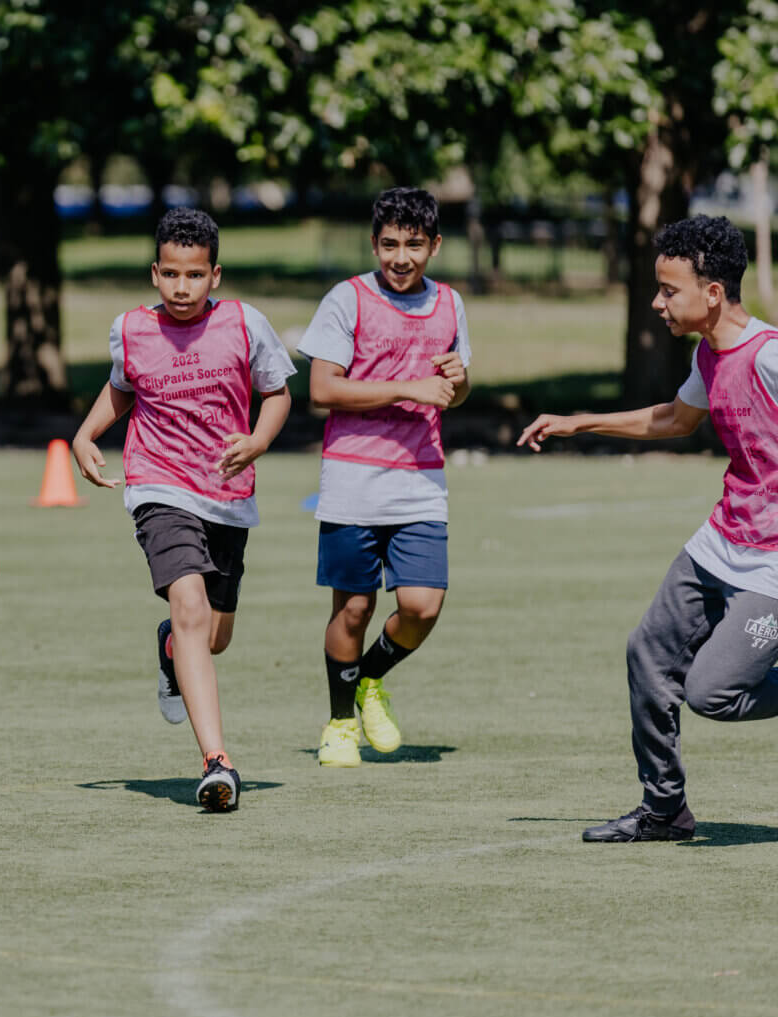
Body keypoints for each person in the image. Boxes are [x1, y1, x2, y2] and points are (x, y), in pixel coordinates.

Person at [519, 214, 778, 842]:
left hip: (772, 561)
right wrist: (580, 423)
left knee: (712, 691)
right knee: (648, 654)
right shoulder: (710, 353)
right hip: (721, 542)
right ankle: (664, 810)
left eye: (669, 290)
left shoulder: (770, 356)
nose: (658, 302)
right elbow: (674, 421)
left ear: (712, 293)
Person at [70, 207, 295, 812]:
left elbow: (276, 392)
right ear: (154, 273)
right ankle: (217, 762)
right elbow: (123, 387)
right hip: (158, 485)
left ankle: (172, 647)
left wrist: (259, 440)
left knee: (212, 636)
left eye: (194, 276)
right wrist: (85, 435)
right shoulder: (131, 329)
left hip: (227, 493)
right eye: (170, 275)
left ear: (215, 276)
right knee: (190, 604)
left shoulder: (248, 325)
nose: (181, 288)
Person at [297, 187, 471, 769]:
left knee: (423, 606)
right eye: (390, 244)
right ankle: (341, 721)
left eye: (414, 245)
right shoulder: (346, 300)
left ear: (435, 246)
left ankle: (369, 679)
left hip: (421, 478)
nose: (401, 257)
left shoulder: (450, 304)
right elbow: (322, 389)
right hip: (352, 478)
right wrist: (406, 387)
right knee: (353, 610)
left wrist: (458, 379)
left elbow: (457, 387)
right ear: (374, 243)